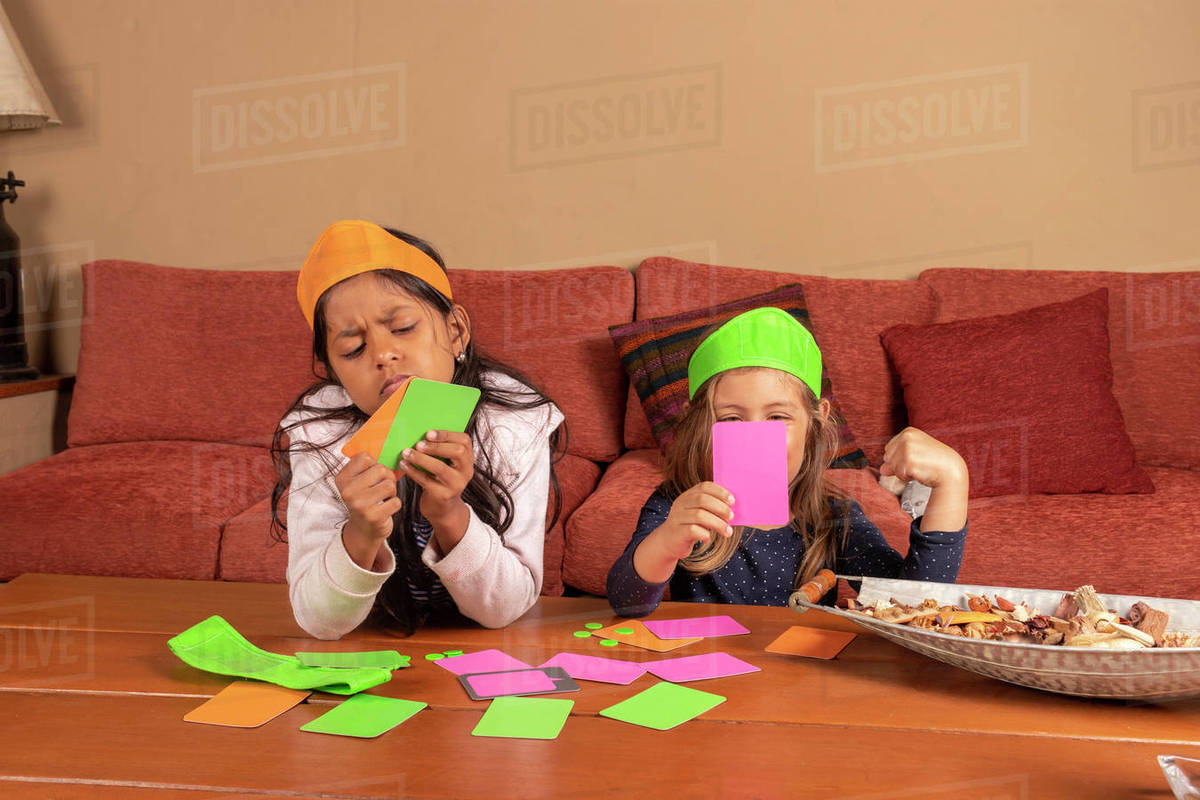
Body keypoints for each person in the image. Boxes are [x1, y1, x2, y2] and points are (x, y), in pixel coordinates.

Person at [271, 220, 564, 638]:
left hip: (485, 647)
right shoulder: (320, 438)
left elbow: (505, 608)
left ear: (456, 330)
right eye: (353, 349)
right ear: (334, 372)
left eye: (403, 327)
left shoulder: (514, 423)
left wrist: (449, 514)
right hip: (377, 650)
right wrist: (361, 530)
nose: (383, 354)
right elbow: (320, 623)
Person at [606, 307, 968, 616]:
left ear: (816, 421)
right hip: (711, 676)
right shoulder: (677, 504)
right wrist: (668, 540)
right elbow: (627, 604)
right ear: (698, 423)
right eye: (731, 419)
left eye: (777, 418)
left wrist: (953, 481)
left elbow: (916, 606)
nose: (755, 437)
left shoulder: (834, 518)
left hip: (801, 687)